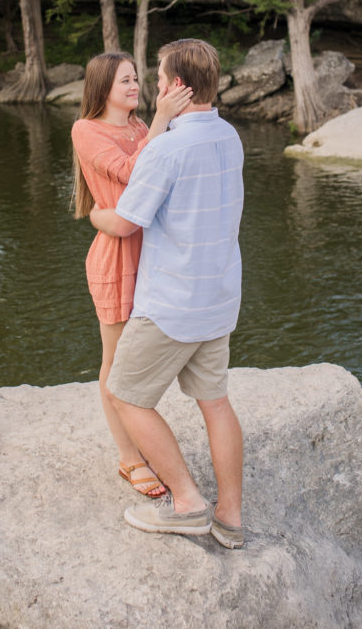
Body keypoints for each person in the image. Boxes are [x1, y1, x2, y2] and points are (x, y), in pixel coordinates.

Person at [90, 38, 245, 548]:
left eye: (156, 77)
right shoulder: (229, 137)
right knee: (216, 404)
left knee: (123, 392)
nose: (151, 85)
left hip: (172, 304)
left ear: (176, 85)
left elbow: (126, 220)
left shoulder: (166, 148)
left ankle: (187, 503)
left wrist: (94, 215)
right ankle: (231, 518)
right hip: (219, 299)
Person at [71, 51, 192, 498]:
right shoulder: (86, 129)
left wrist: (160, 120)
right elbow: (131, 171)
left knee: (140, 361)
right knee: (116, 365)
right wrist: (161, 120)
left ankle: (143, 442)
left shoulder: (140, 127)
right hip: (117, 259)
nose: (133, 86)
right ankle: (128, 457)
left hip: (151, 255)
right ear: (102, 86)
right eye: (124, 80)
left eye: (137, 78)